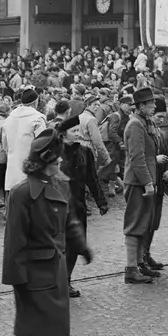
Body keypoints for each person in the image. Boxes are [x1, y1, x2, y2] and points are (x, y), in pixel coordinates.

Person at [1, 127, 94, 336]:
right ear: (42, 162)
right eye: (55, 160)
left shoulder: (59, 185)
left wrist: (82, 245)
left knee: (45, 326)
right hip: (31, 272)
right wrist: (16, 278)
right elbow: (13, 240)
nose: (61, 162)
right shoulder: (21, 194)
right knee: (38, 326)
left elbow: (70, 220)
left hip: (55, 268)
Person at [58, 115, 108, 296]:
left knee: (74, 245)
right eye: (74, 131)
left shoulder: (85, 152)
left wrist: (100, 201)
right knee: (60, 245)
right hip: (58, 205)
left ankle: (66, 280)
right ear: (63, 134)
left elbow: (92, 179)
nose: (78, 134)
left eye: (79, 130)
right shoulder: (55, 152)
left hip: (78, 205)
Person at [121, 86, 161, 284]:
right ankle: (131, 269)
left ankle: (138, 264)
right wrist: (147, 182)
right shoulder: (136, 125)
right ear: (141, 106)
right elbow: (137, 158)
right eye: (151, 103)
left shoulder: (145, 122)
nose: (154, 106)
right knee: (134, 225)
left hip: (143, 181)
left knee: (142, 224)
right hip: (137, 182)